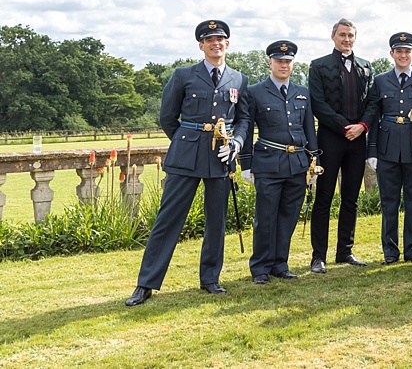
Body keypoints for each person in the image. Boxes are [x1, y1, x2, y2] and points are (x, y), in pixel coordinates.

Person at [125, 20, 250, 306]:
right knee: (168, 220)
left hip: (220, 156)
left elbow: (243, 120)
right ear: (201, 46)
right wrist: (186, 140)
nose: (216, 43)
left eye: (221, 39)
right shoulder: (183, 76)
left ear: (227, 44)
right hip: (186, 156)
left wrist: (236, 144)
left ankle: (210, 279)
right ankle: (145, 284)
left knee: (216, 220)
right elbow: (167, 118)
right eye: (210, 40)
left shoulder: (239, 79)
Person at [235, 40, 317, 284]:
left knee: (289, 216)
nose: (284, 65)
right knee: (266, 217)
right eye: (279, 61)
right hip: (268, 163)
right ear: (270, 62)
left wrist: (314, 162)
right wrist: (246, 164)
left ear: (293, 64)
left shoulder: (302, 92)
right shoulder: (255, 92)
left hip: (297, 164)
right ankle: (260, 266)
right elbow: (247, 130)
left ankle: (280, 263)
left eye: (288, 61)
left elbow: (309, 129)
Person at [308, 18, 379, 273]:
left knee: (351, 197)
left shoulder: (366, 66)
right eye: (342, 35)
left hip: (358, 138)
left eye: (350, 35)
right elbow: (317, 103)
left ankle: (345, 251)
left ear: (355, 38)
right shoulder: (318, 66)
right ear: (333, 36)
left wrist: (362, 126)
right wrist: (343, 126)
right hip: (331, 137)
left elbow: (373, 103)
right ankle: (319, 256)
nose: (346, 39)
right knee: (324, 198)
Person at [367, 31, 412, 264]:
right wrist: (372, 151)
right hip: (387, 149)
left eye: (407, 51)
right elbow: (374, 117)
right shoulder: (380, 81)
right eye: (399, 51)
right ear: (392, 54)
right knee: (389, 202)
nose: (403, 55)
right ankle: (390, 251)